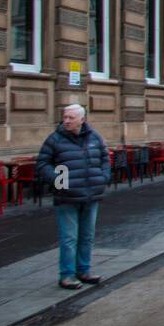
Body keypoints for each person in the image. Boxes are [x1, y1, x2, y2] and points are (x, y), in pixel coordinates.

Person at [36, 104, 110, 290]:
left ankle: (84, 271)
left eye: (71, 117)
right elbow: (43, 163)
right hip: (67, 196)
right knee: (69, 238)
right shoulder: (55, 139)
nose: (66, 121)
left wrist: (103, 178)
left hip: (91, 194)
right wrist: (58, 181)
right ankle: (67, 275)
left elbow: (105, 159)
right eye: (65, 117)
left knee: (87, 236)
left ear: (82, 120)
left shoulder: (95, 137)